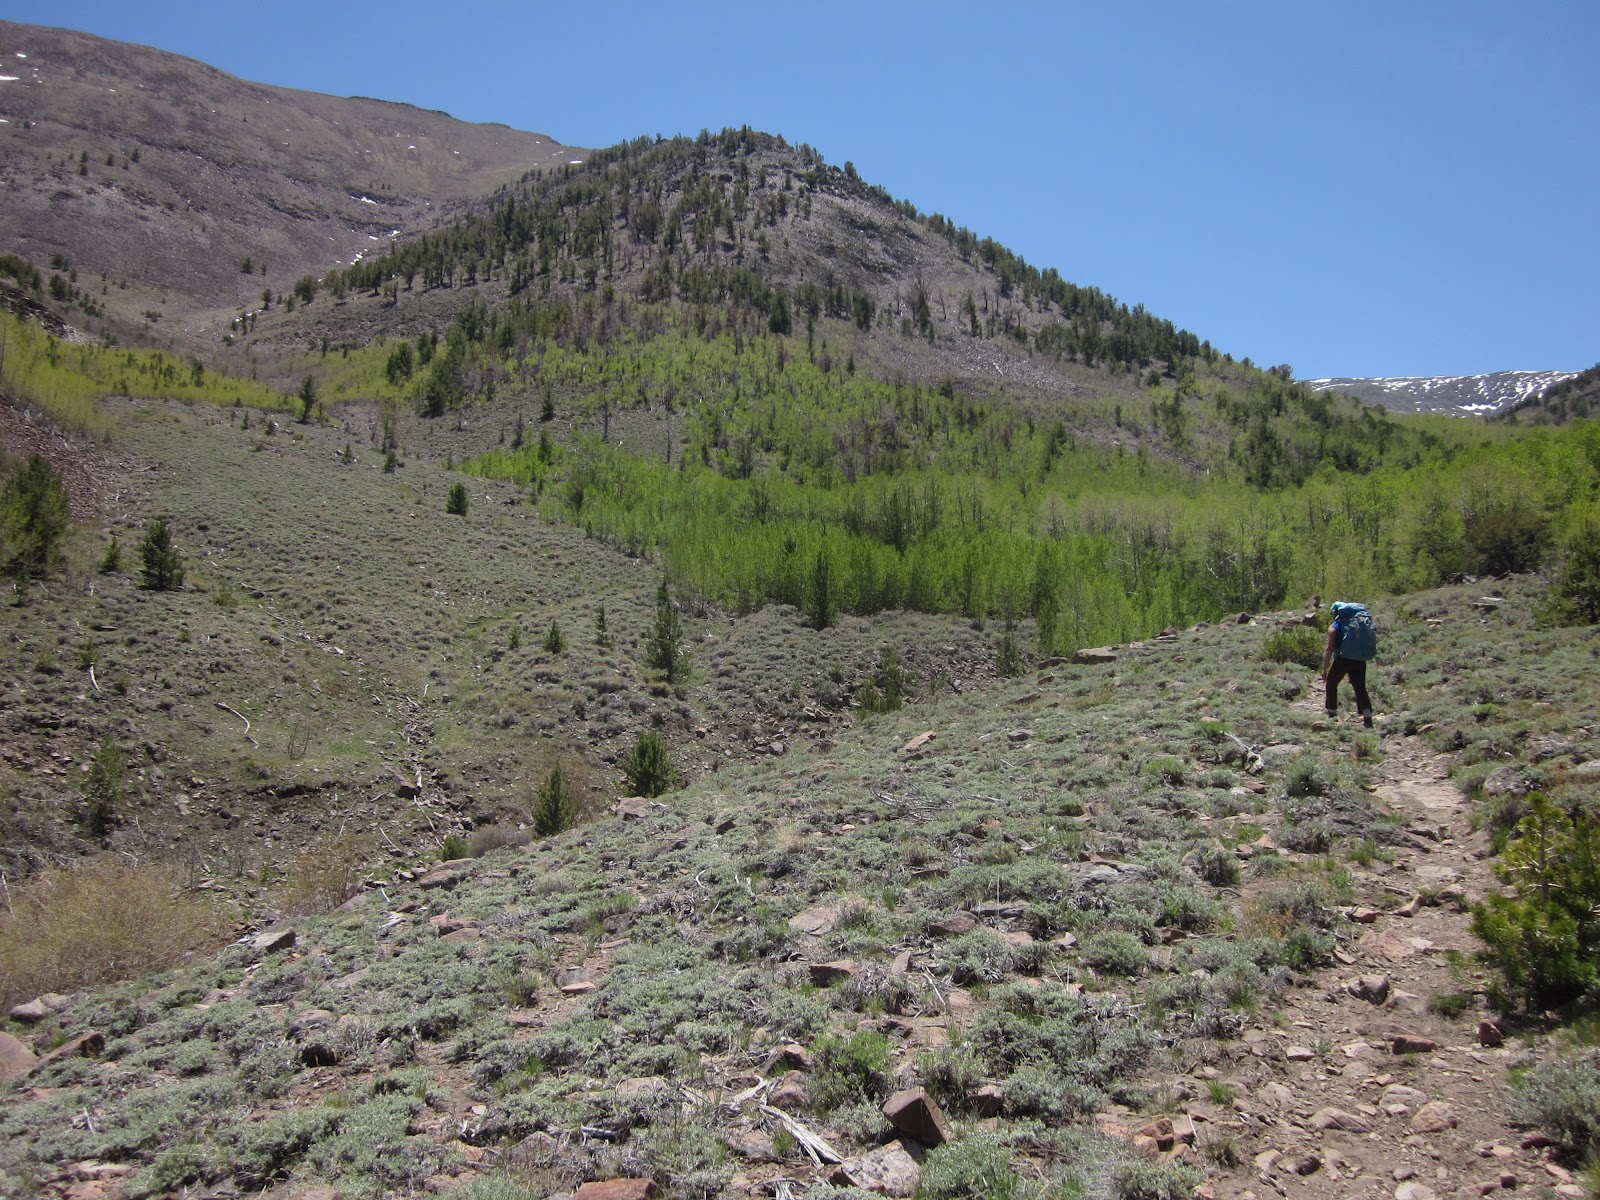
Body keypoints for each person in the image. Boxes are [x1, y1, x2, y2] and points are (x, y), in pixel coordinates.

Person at [1320, 601, 1375, 728]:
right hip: (1359, 660)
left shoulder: (1335, 626)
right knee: (1360, 688)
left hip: (1342, 659)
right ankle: (1367, 717)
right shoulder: (1355, 624)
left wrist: (1325, 667)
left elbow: (1329, 648)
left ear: (1335, 612)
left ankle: (1332, 714)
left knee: (1331, 684)